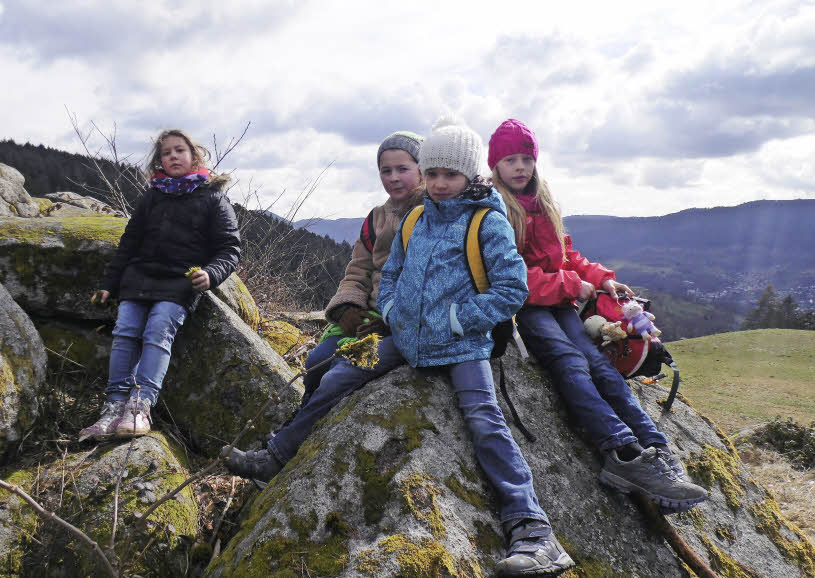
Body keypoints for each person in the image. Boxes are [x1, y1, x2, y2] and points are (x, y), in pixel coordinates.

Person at [225, 115, 574, 577]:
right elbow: (390, 274)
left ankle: (535, 534)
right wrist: (390, 310)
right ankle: (276, 456)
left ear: (471, 175)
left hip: (461, 345)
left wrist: (456, 320)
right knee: (338, 376)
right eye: (432, 173)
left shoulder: (488, 221)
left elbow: (511, 289)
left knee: (485, 422)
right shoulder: (415, 218)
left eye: (450, 174)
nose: (439, 183)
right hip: (407, 339)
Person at [486, 118, 706, 512]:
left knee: (601, 368)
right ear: (495, 166)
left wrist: (602, 280)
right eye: (509, 160)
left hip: (561, 305)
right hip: (528, 311)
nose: (519, 167)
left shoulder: (544, 204)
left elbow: (568, 257)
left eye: (526, 158)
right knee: (571, 364)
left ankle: (657, 449)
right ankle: (622, 452)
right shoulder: (496, 210)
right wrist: (573, 286)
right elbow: (514, 278)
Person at [79, 129, 240, 441]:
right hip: (138, 278)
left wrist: (211, 274)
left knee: (157, 331)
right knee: (125, 332)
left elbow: (230, 249)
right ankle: (113, 407)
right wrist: (108, 284)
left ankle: (139, 406)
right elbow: (129, 243)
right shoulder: (152, 197)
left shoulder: (213, 198)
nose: (173, 156)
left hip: (179, 282)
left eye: (180, 150)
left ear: (195, 156)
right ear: (159, 161)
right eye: (167, 153)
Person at [283, 131, 425, 425]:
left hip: (400, 318)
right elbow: (359, 269)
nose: (394, 177)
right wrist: (348, 309)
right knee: (314, 362)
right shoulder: (376, 217)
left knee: (339, 365)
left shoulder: (431, 215)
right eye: (386, 170)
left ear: (422, 169)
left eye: (403, 169)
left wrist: (391, 321)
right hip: (367, 315)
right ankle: (302, 417)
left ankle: (309, 427)